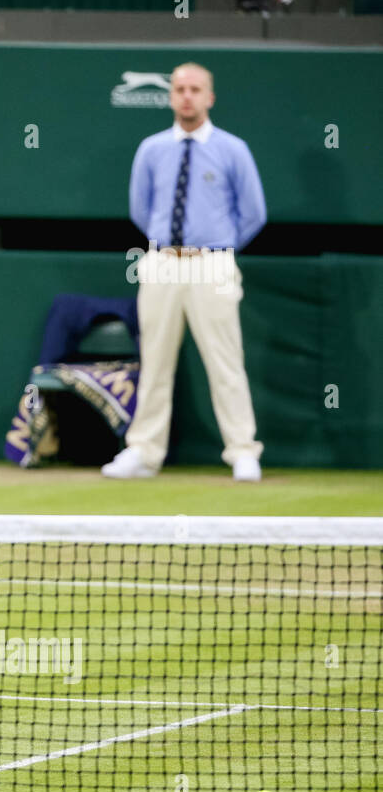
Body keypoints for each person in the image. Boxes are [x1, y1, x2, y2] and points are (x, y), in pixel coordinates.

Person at [103, 62, 266, 483]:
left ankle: (243, 451)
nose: (187, 96)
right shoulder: (151, 150)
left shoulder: (233, 149)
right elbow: (141, 209)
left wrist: (217, 249)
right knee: (154, 363)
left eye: (195, 89)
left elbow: (253, 214)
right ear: (171, 96)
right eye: (179, 89)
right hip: (160, 264)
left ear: (209, 97)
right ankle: (143, 452)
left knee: (226, 363)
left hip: (213, 265)